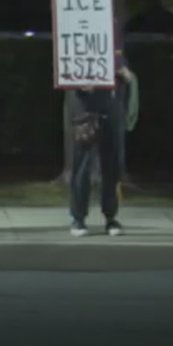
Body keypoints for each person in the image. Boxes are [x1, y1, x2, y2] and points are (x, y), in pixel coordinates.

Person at [67, 60, 133, 237]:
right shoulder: (79, 44)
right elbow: (65, 70)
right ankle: (78, 217)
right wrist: (76, 82)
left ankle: (111, 217)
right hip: (85, 108)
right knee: (82, 165)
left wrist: (126, 77)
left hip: (111, 108)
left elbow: (126, 75)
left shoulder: (114, 45)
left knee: (111, 166)